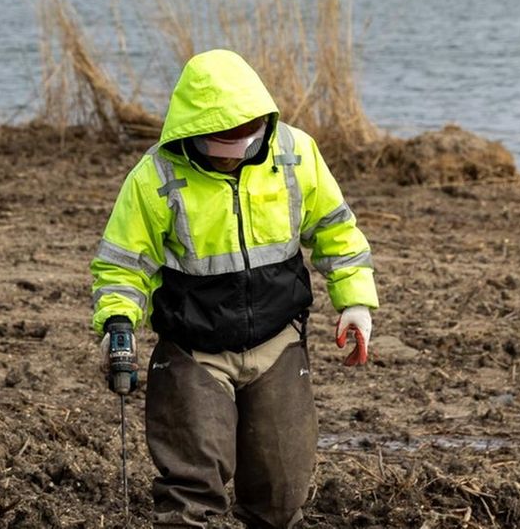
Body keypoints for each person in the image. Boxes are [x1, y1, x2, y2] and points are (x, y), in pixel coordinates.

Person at [90, 49, 378, 529]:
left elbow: (337, 230)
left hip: (277, 342)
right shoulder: (155, 176)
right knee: (190, 489)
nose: (236, 150)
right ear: (192, 132)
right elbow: (122, 265)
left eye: (247, 137)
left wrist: (355, 302)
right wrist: (117, 323)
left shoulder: (295, 152)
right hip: (192, 349)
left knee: (282, 493)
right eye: (221, 142)